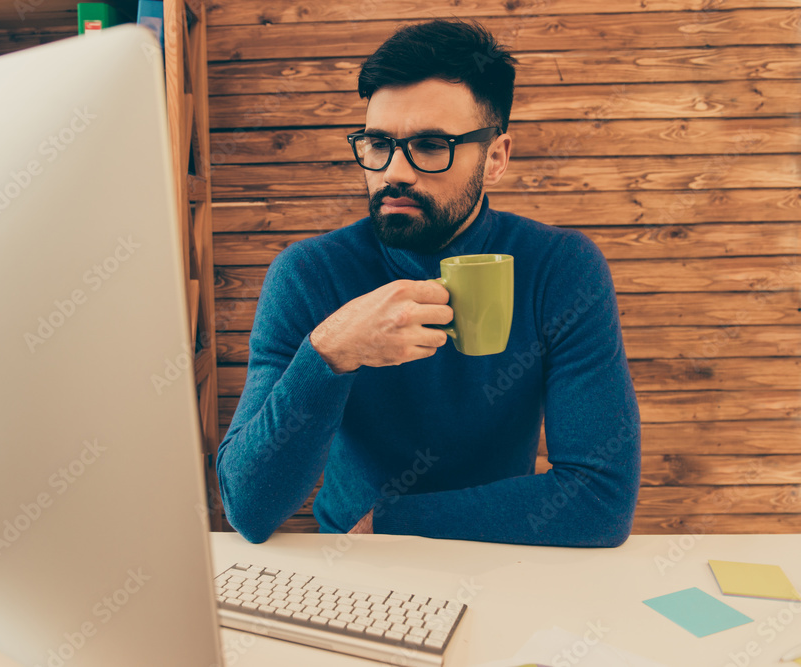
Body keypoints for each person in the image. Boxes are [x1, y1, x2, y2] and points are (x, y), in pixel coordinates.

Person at [215, 19, 641, 547]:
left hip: (504, 557)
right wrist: (329, 352)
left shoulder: (560, 268)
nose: (395, 171)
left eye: (431, 145)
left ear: (496, 158)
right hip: (355, 567)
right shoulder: (308, 275)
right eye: (377, 144)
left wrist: (392, 523)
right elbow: (249, 508)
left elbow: (600, 499)